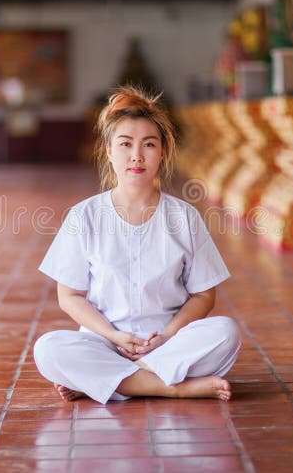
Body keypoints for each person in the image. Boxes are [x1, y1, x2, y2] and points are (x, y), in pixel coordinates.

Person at [33, 86, 241, 404]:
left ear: (163, 152)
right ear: (108, 151)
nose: (137, 156)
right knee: (47, 349)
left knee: (226, 333)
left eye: (149, 144)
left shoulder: (184, 216)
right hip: (104, 341)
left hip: (167, 342)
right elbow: (69, 296)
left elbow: (204, 295)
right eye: (125, 144)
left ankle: (107, 381)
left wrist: (166, 336)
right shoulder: (84, 216)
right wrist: (114, 336)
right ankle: (171, 387)